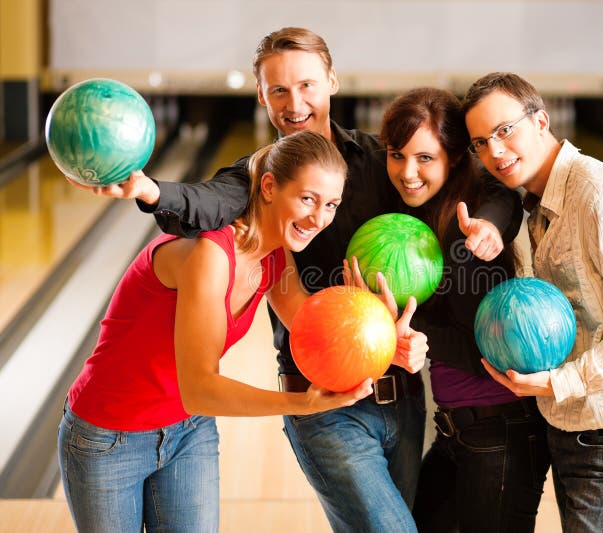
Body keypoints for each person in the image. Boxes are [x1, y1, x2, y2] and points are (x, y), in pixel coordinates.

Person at [69, 28, 518, 532]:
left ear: (332, 80)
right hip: (315, 403)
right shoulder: (254, 187)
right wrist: (152, 191)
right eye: (278, 89)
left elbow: (482, 188)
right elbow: (207, 204)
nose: (294, 101)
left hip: (398, 397)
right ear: (261, 95)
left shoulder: (383, 162)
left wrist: (396, 333)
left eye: (306, 85)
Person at [57, 130, 396, 532]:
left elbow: (310, 326)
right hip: (109, 436)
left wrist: (369, 317)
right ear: (269, 187)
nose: (319, 218)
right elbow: (199, 387)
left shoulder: (274, 255)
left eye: (331, 205)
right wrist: (303, 404)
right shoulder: (211, 254)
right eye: (307, 199)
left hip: (189, 430)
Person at [462, 72, 603, 533]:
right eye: (481, 143)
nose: (495, 152)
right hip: (569, 424)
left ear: (542, 120)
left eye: (505, 131)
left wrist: (560, 382)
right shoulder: (527, 205)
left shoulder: (602, 196)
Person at [345, 87, 550, 532]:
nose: (407, 172)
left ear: (455, 158)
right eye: (397, 155)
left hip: (501, 428)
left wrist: (395, 320)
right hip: (459, 429)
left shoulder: (468, 230)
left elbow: (485, 350)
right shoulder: (418, 220)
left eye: (425, 158)